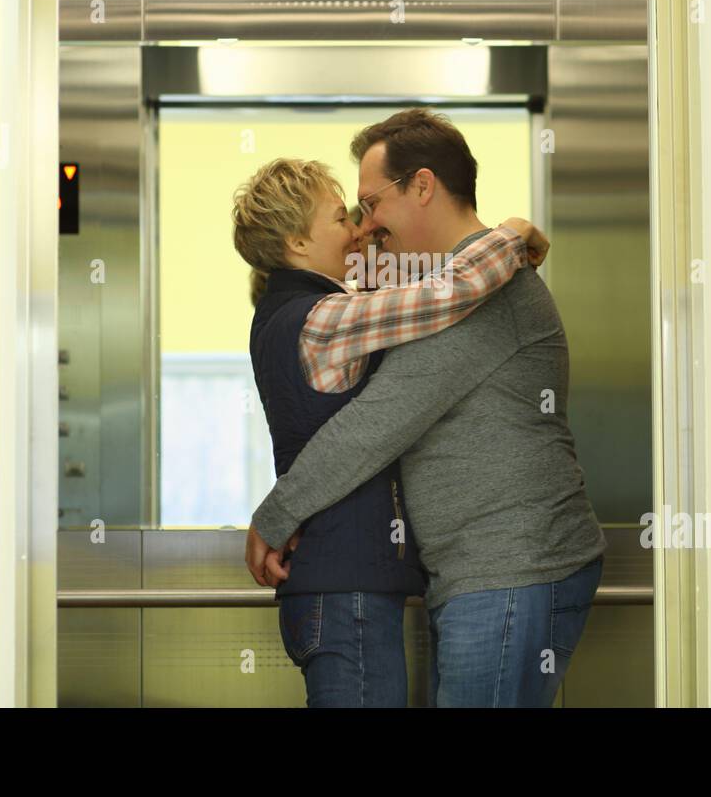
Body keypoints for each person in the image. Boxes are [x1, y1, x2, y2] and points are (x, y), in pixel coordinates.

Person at [246, 108, 608, 708]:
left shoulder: (487, 293)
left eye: (369, 204)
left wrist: (276, 515)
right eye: (349, 214)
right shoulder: (449, 284)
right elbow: (413, 296)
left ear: (421, 185)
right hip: (485, 576)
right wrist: (514, 232)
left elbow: (378, 421)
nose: (365, 227)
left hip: (511, 569)